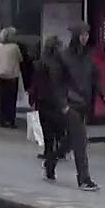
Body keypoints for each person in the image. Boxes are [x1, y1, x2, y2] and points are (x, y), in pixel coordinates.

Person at [59, 23, 105, 192]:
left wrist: (104, 96)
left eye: (87, 35)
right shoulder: (65, 57)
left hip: (84, 103)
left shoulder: (89, 57)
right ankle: (84, 179)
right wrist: (63, 104)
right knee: (81, 140)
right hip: (70, 104)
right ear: (75, 36)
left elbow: (96, 78)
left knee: (71, 141)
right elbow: (57, 83)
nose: (85, 38)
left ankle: (50, 162)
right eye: (82, 35)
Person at [32, 35, 68, 177]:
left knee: (47, 129)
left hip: (43, 100)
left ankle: (49, 153)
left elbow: (36, 83)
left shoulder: (40, 63)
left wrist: (34, 98)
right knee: (59, 128)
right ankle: (58, 151)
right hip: (57, 101)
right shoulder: (62, 64)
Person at [0, 27, 23, 129]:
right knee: (11, 99)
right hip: (12, 76)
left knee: (2, 98)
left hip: (1, 74)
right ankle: (10, 120)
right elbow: (20, 59)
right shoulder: (15, 47)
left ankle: (2, 120)